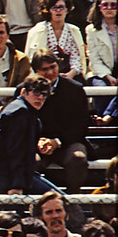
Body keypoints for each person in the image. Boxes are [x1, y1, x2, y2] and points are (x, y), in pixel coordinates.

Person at [31, 48, 91, 194]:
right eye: (44, 69)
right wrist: (38, 141)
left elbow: (81, 125)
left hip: (68, 142)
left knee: (78, 158)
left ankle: (72, 201)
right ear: (36, 71)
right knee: (29, 161)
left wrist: (57, 142)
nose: (50, 72)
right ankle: (38, 204)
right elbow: (20, 123)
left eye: (53, 67)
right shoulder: (26, 90)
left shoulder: (75, 89)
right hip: (36, 143)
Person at [25, 0, 88, 80]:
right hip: (44, 75)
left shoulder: (74, 30)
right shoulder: (36, 31)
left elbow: (77, 58)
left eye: (61, 7)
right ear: (48, 10)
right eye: (54, 8)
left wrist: (70, 74)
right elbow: (32, 60)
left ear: (67, 9)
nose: (58, 11)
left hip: (71, 76)